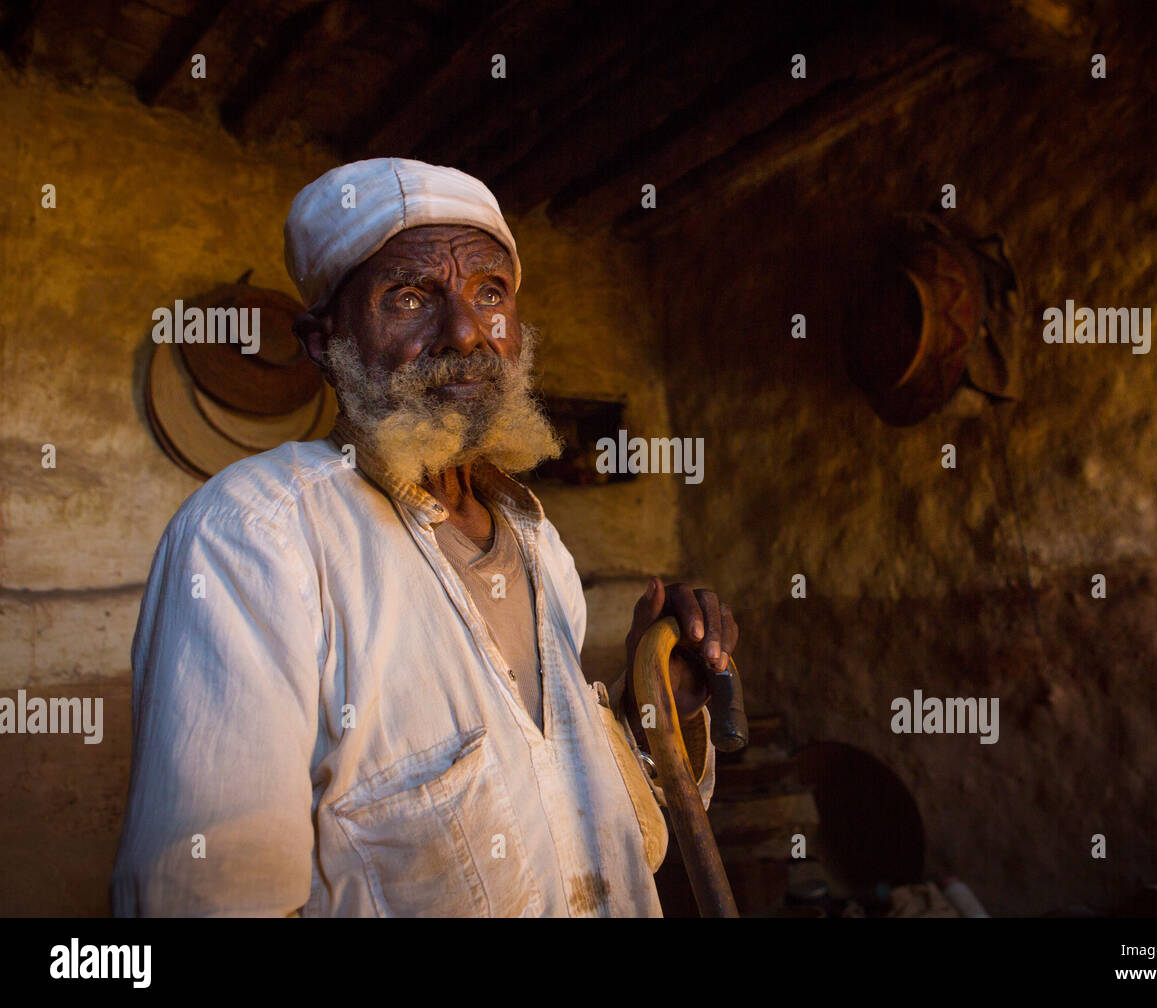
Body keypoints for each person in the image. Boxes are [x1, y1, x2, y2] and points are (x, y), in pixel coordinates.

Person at [111, 159, 740, 916]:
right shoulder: (254, 537)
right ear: (323, 342)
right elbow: (205, 898)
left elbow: (563, 812)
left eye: (489, 293)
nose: (465, 333)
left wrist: (652, 712)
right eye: (410, 297)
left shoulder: (540, 544)